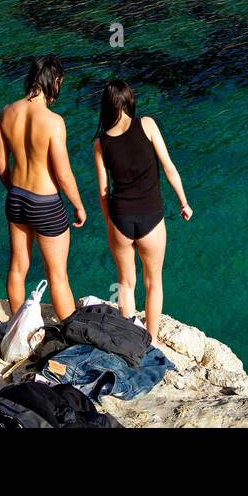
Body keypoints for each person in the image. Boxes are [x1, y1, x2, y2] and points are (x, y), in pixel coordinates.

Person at [93, 80, 192, 346]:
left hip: (120, 220)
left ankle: (128, 341)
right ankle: (152, 339)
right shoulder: (147, 125)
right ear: (129, 101)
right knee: (153, 281)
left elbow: (103, 191)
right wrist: (183, 202)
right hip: (151, 219)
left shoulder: (101, 143)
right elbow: (169, 167)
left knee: (125, 283)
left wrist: (109, 223)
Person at [0, 56, 86, 322]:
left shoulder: (7, 112)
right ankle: (71, 337)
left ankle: (17, 329)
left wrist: (14, 190)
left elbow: (1, 164)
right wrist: (79, 206)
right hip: (45, 203)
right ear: (54, 81)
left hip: (16, 198)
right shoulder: (53, 121)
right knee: (57, 275)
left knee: (17, 267)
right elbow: (63, 174)